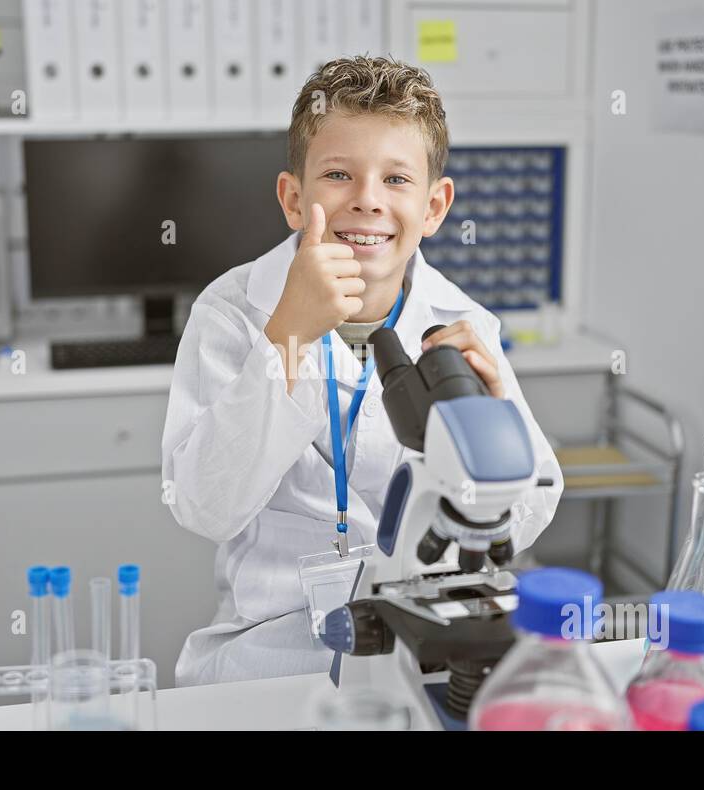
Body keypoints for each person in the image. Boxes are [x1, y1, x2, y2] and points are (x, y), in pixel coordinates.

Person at [161, 56, 563, 686]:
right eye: (339, 174)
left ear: (434, 206)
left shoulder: (464, 324)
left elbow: (531, 505)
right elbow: (205, 507)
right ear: (295, 199)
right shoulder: (233, 313)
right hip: (272, 648)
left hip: (423, 638)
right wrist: (287, 337)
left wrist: (494, 431)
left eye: (396, 179)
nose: (368, 200)